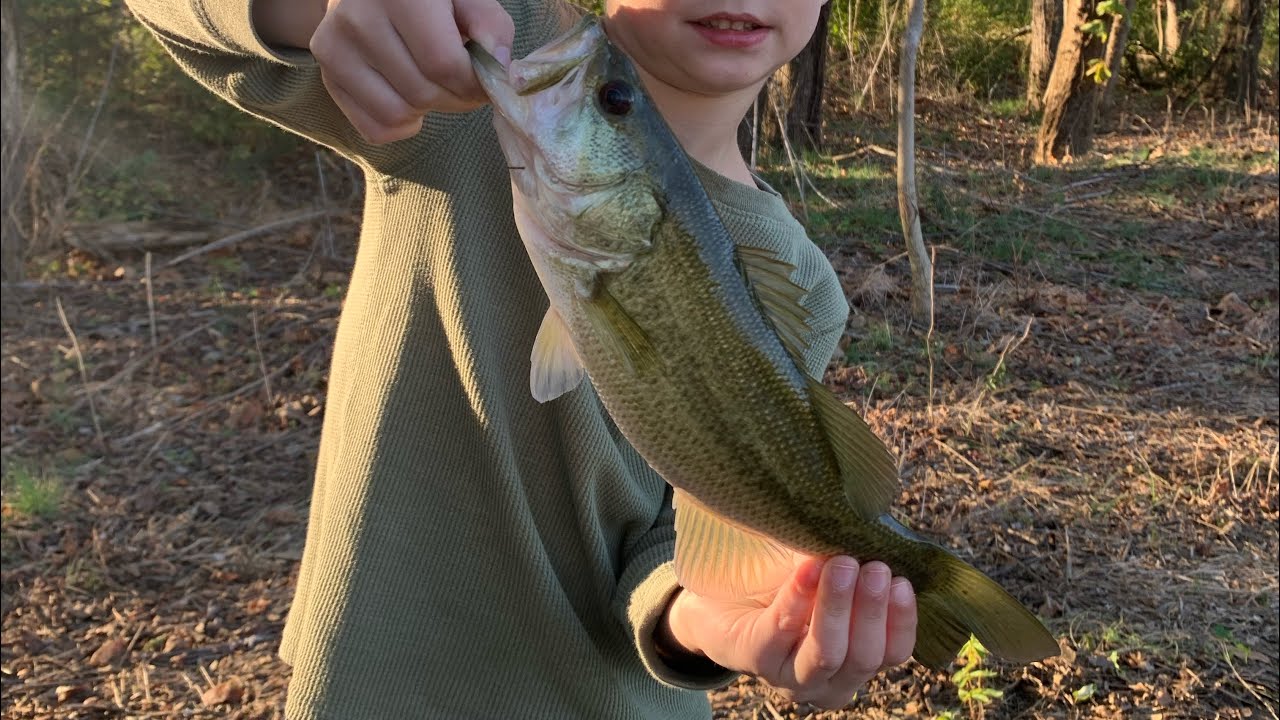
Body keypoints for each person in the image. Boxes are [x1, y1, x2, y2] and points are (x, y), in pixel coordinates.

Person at [123, 0, 919, 717]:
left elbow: (683, 532)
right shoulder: (494, 72)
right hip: (383, 682)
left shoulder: (804, 287)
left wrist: (713, 620)